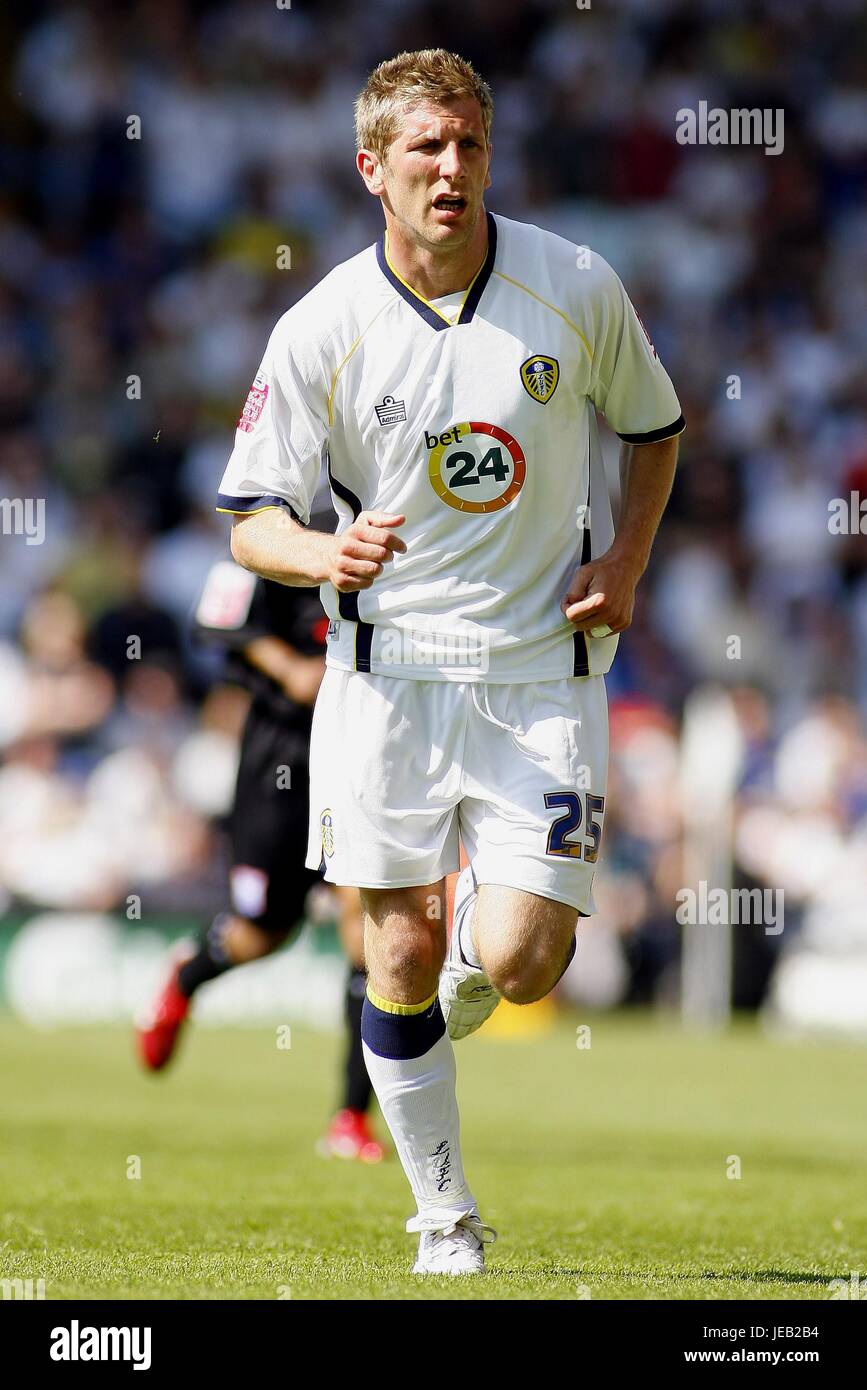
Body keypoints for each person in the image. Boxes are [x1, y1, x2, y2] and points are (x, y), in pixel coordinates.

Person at [217, 48, 683, 1273]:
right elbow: (249, 516)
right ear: (371, 166)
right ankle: (443, 1216)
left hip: (541, 670)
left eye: (469, 144)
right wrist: (326, 552)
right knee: (398, 955)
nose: (451, 167)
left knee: (524, 966)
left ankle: (489, 930)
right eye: (425, 147)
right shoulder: (323, 321)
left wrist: (625, 564)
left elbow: (653, 427)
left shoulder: (573, 282)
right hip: (383, 679)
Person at [136, 531, 387, 1163]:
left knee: (371, 931)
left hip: (367, 747)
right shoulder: (283, 519)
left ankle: (350, 1119)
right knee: (264, 931)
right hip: (283, 758)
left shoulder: (393, 506)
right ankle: (188, 974)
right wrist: (290, 668)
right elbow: (217, 623)